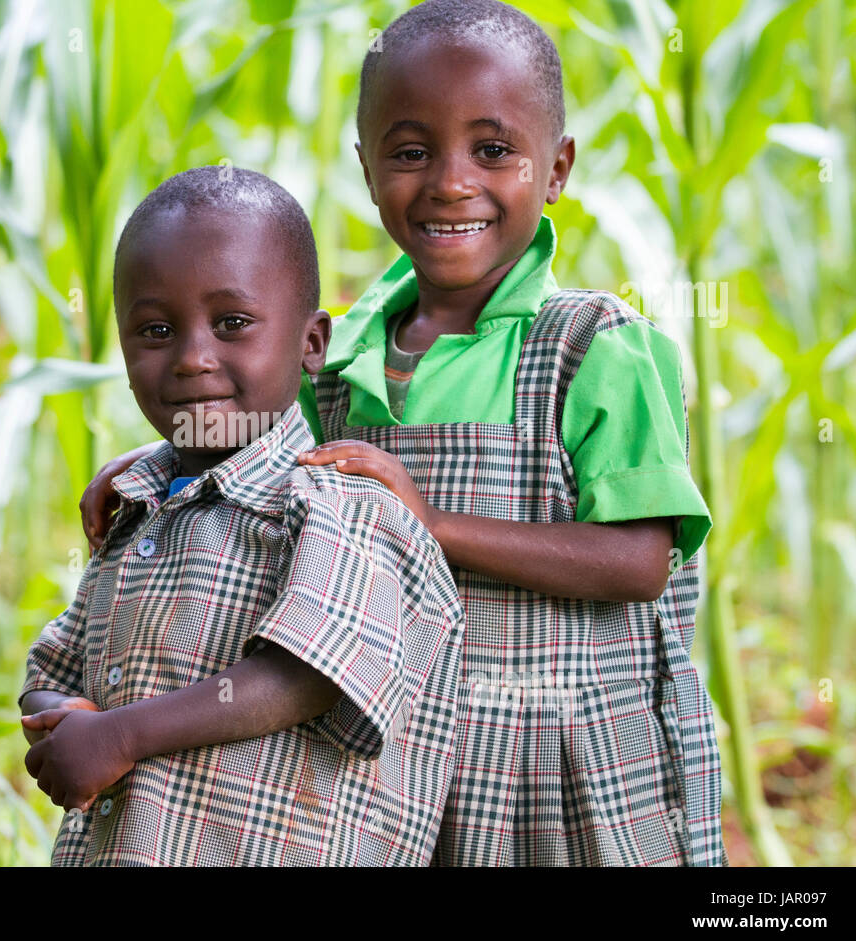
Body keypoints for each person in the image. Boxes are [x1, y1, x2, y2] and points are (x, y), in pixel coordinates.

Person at [79, 0, 726, 866]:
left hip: (557, 766)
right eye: (411, 152)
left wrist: (433, 524)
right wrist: (155, 465)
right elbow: (260, 453)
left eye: (493, 150)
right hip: (393, 771)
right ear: (367, 167)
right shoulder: (334, 354)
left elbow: (640, 561)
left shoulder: (597, 348)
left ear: (558, 167)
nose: (450, 182)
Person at [20, 166, 464, 866]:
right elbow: (55, 667)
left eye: (232, 324)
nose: (193, 359)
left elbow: (308, 677)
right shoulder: (134, 510)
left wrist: (122, 736)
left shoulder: (337, 504)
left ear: (311, 343)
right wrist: (66, 721)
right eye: (156, 330)